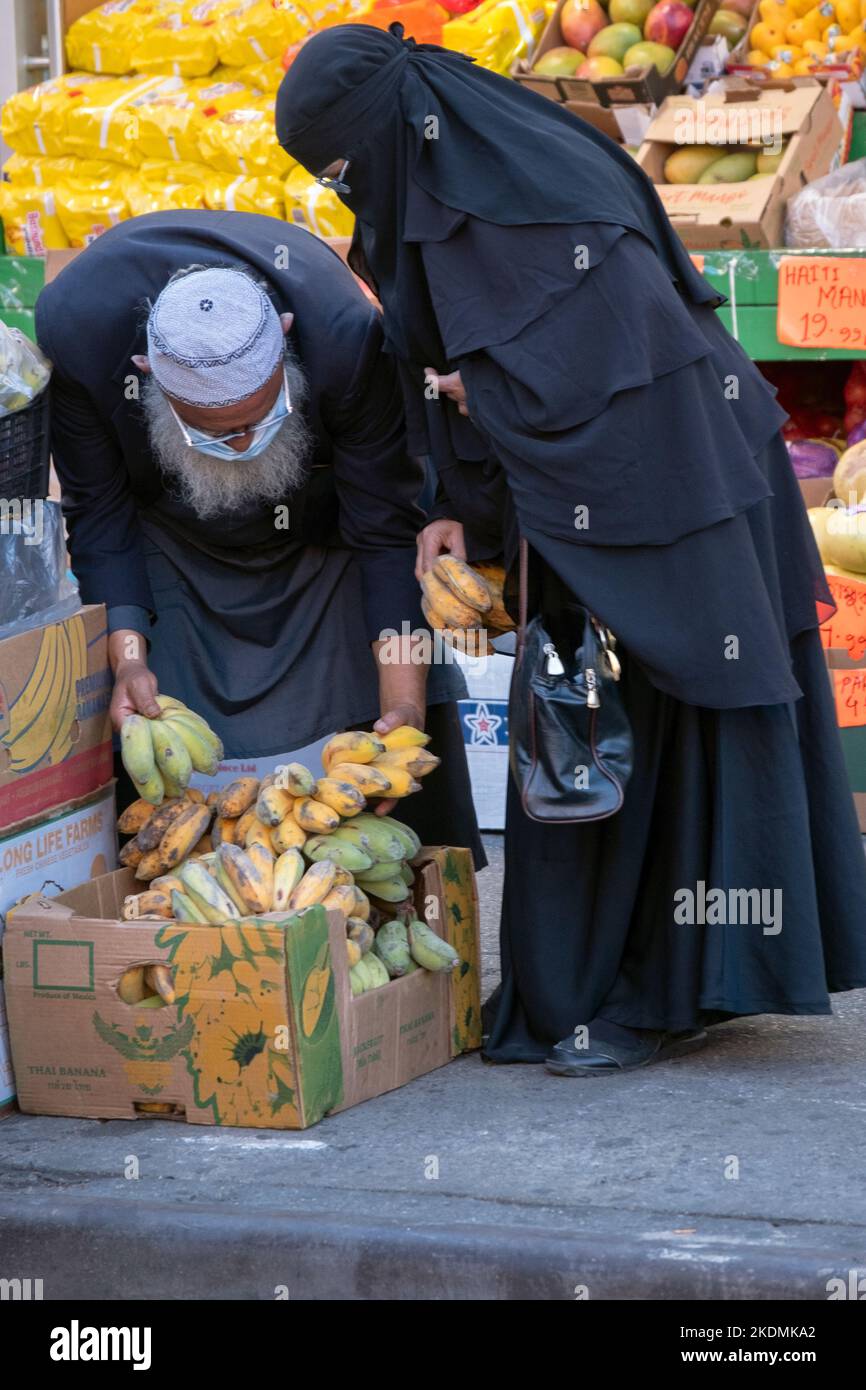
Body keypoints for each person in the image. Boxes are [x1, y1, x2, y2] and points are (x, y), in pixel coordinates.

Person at [276, 23, 866, 1074]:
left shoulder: (527, 181)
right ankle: (573, 993)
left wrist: (485, 393)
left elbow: (614, 345)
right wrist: (456, 498)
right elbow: (470, 343)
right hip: (589, 510)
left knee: (646, 737)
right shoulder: (440, 182)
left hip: (672, 500)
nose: (342, 188)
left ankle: (652, 995)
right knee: (579, 742)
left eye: (337, 164)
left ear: (377, 129)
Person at [35, 209, 482, 858]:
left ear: (286, 337)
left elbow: (386, 527)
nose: (241, 445)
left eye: (256, 419)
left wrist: (404, 713)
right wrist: (129, 658)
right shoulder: (78, 328)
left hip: (323, 532)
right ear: (147, 372)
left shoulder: (344, 333)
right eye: (215, 433)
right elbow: (99, 515)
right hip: (174, 540)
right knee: (150, 728)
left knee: (397, 671)